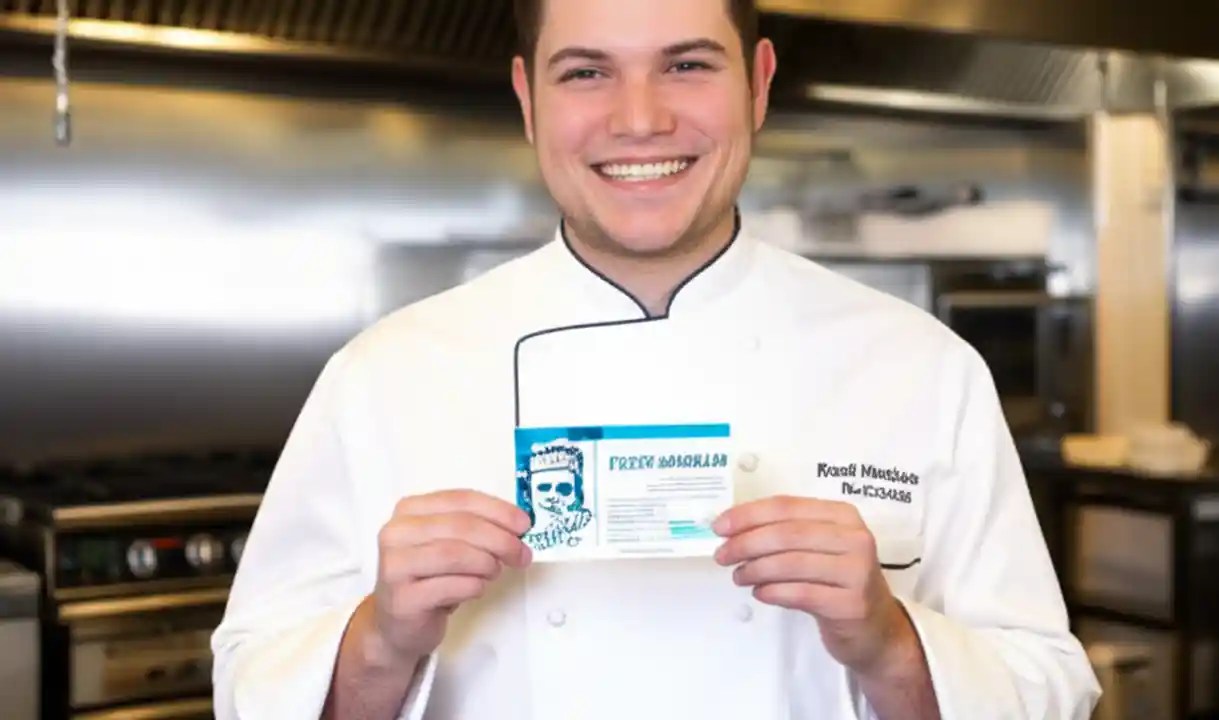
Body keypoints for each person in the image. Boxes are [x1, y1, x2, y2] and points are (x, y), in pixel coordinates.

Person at [210, 0, 1102, 718]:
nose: (640, 119)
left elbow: (1048, 687)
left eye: (686, 63)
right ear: (529, 100)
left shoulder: (922, 368)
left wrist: (887, 640)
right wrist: (381, 638)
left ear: (756, 84)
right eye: (587, 71)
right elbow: (251, 691)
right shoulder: (385, 378)